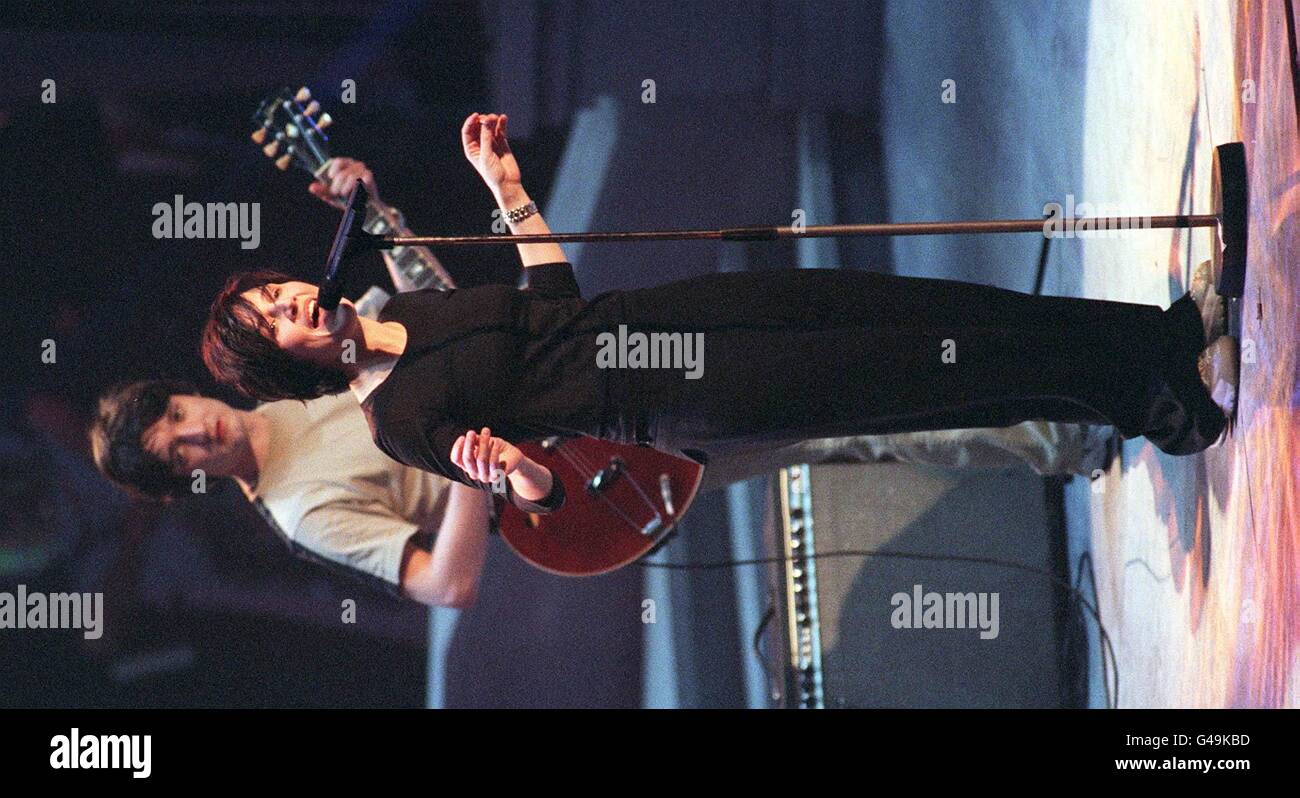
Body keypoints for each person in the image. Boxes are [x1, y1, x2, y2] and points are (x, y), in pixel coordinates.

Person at [198, 113, 1236, 512]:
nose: (291, 299)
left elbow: (550, 301)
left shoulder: (408, 318)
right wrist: (504, 472)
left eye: (278, 290)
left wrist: (508, 187)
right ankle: (1159, 409)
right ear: (291, 363)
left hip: (684, 313)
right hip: (681, 393)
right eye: (273, 319)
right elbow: (540, 489)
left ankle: (1157, 337)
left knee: (931, 306)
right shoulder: (396, 419)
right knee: (928, 374)